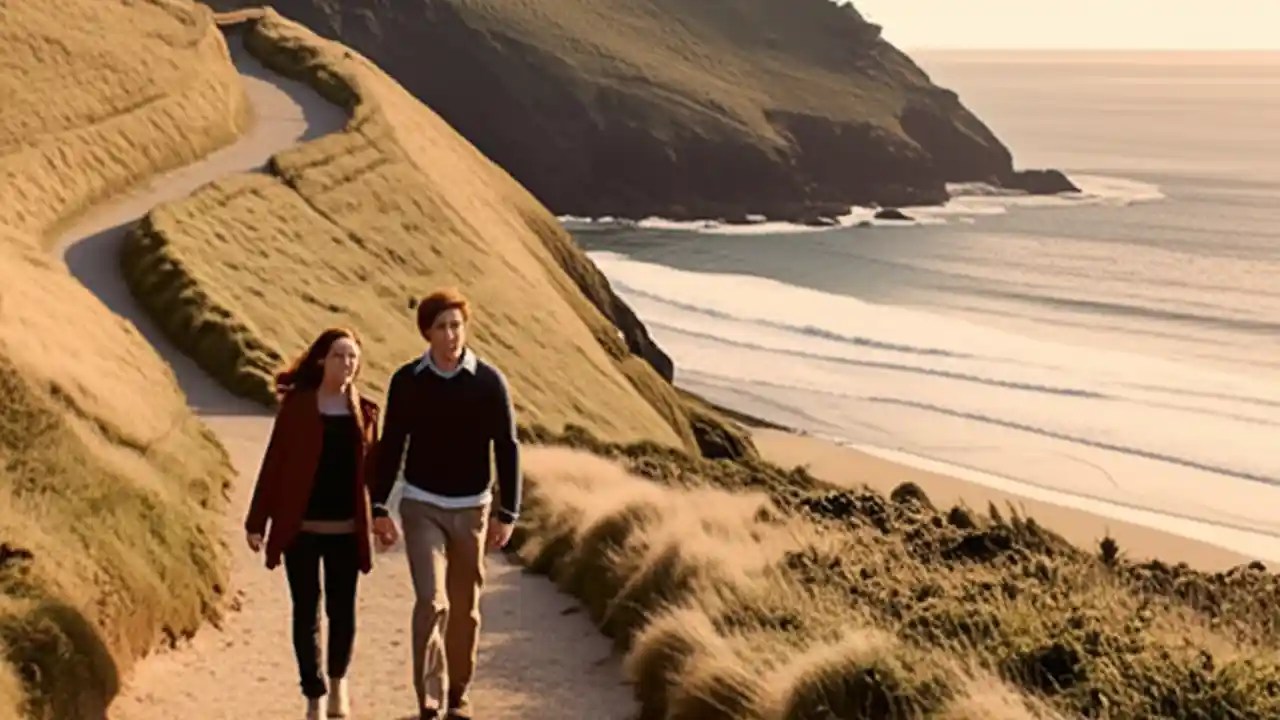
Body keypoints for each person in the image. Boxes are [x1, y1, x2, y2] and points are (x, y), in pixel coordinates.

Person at [368, 287, 522, 720]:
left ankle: (458, 694)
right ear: (427, 333)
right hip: (421, 506)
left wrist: (508, 514)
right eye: (442, 327)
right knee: (431, 601)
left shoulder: (489, 382)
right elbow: (392, 444)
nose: (451, 334)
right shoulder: (407, 381)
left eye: (457, 325)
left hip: (473, 509)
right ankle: (430, 699)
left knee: (465, 609)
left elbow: (507, 446)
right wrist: (378, 506)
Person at [243, 327, 383, 720]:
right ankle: (314, 694)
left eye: (353, 357)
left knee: (343, 611)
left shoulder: (365, 412)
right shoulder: (298, 407)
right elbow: (275, 463)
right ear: (322, 360)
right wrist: (257, 521)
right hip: (301, 528)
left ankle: (338, 683)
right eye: (339, 355)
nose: (347, 363)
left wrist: (381, 517)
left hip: (345, 530)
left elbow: (373, 474)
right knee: (306, 611)